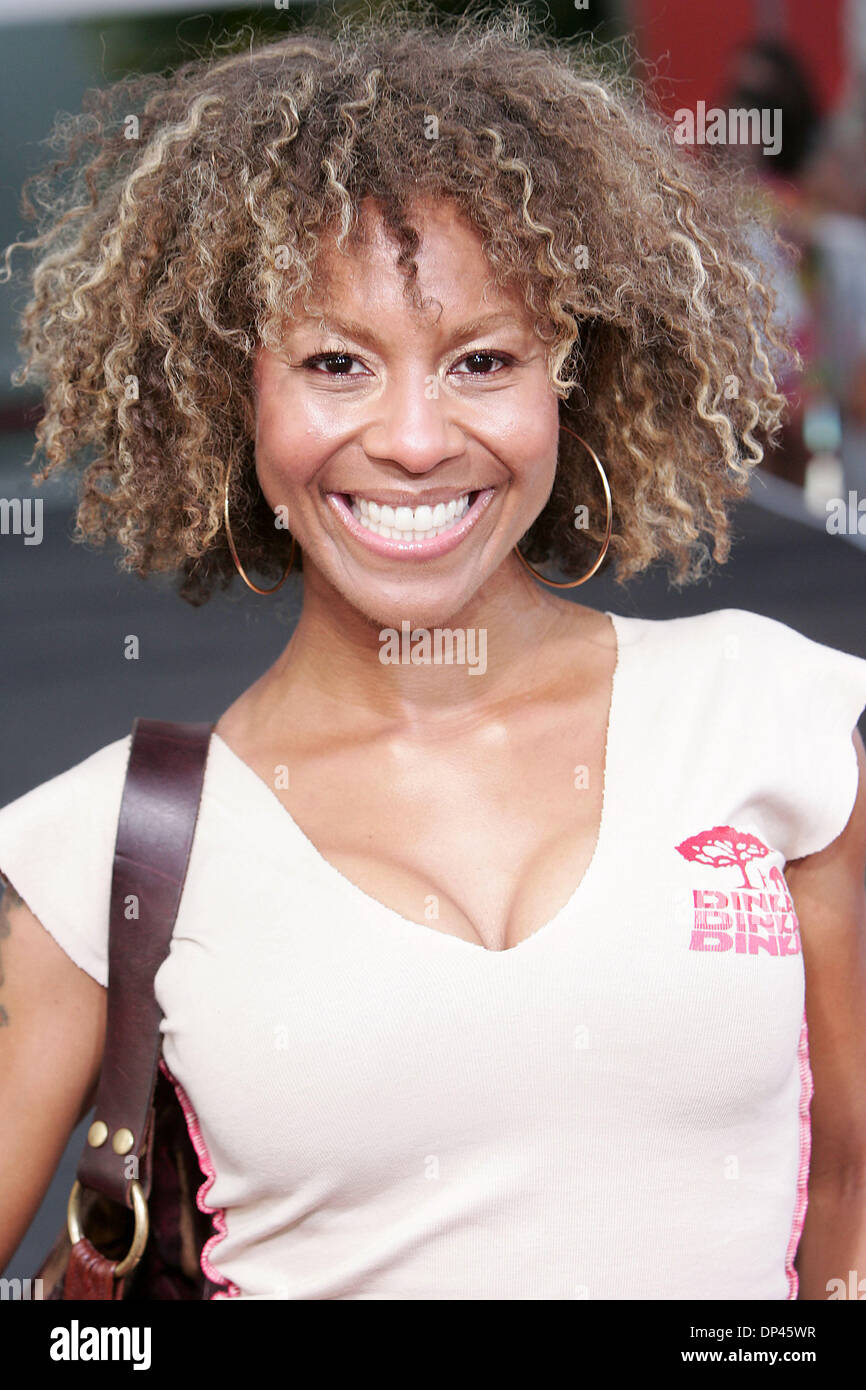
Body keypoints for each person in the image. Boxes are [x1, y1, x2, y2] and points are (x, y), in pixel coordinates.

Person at [1, 5, 865, 1302]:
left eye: (481, 359)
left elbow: (847, 1205)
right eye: (336, 361)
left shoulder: (774, 716)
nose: (414, 437)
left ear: (568, 384)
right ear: (228, 397)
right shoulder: (102, 852)